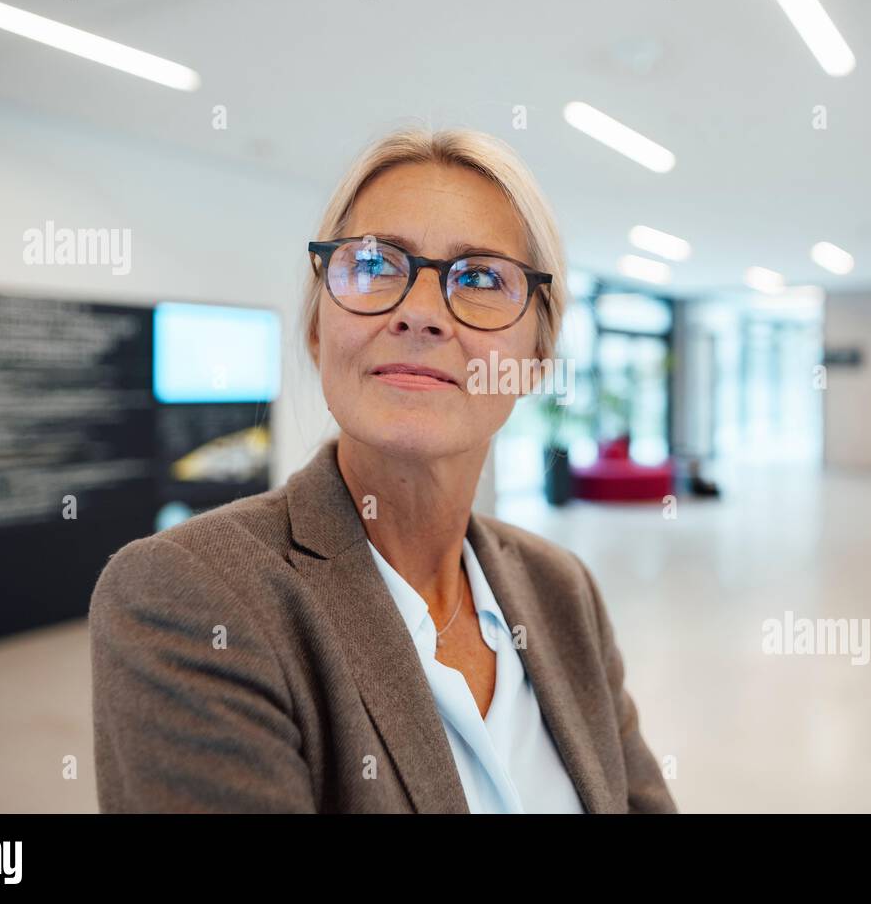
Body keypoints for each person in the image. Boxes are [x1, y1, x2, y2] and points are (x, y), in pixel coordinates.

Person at [89, 126, 678, 813]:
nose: (420, 314)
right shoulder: (191, 593)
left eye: (482, 276)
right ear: (318, 328)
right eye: (372, 265)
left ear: (538, 356)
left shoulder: (561, 591)